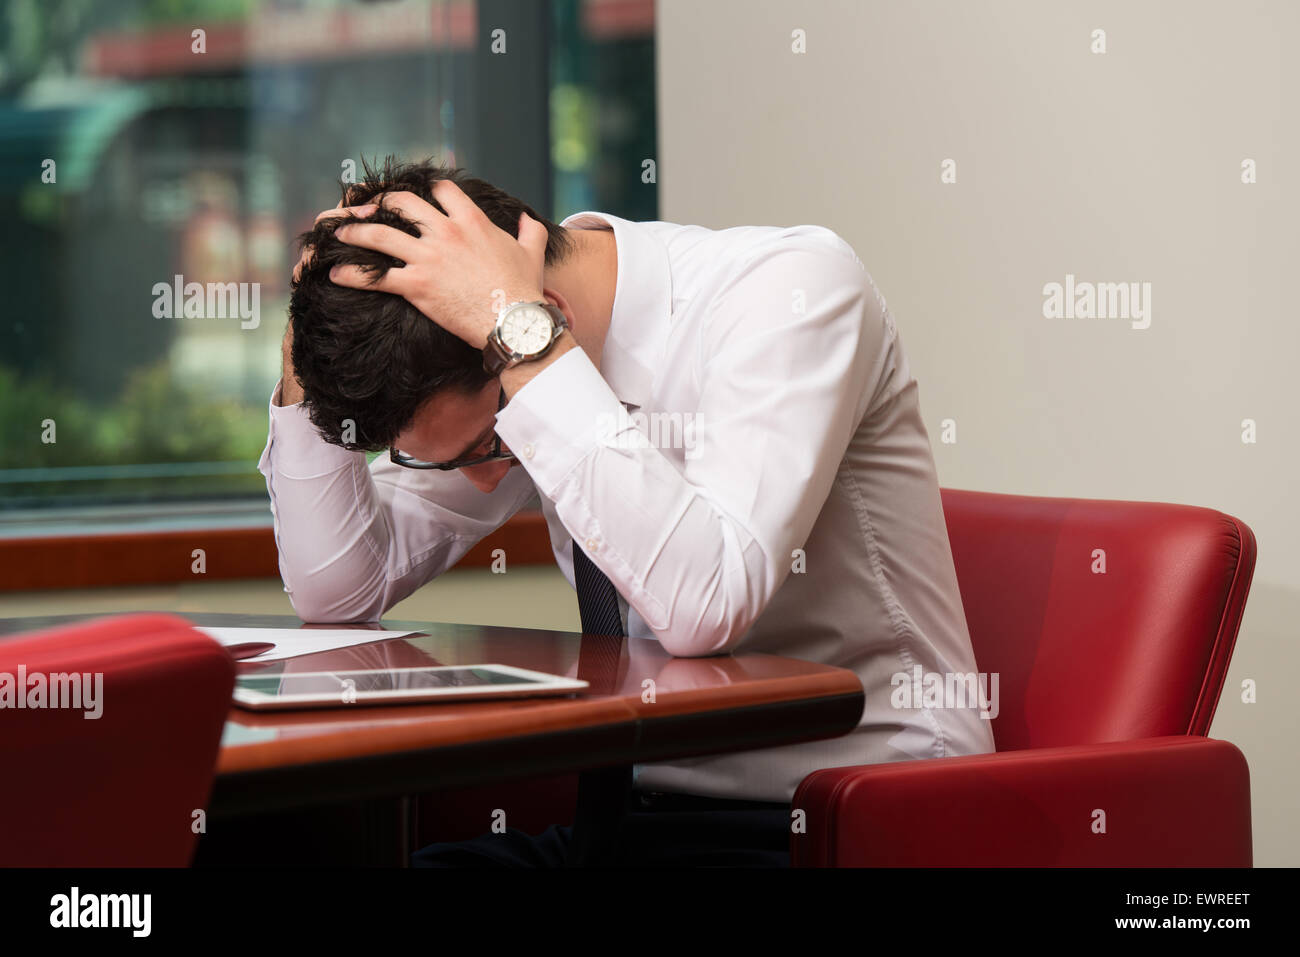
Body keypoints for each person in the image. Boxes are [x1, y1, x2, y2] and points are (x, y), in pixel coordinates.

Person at [258, 157, 996, 866]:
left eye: (487, 441)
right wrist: (305, 345)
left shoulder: (793, 293)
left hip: (848, 811)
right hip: (636, 819)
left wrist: (526, 340)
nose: (478, 482)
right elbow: (339, 590)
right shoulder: (490, 377)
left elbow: (705, 605)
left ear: (550, 316)